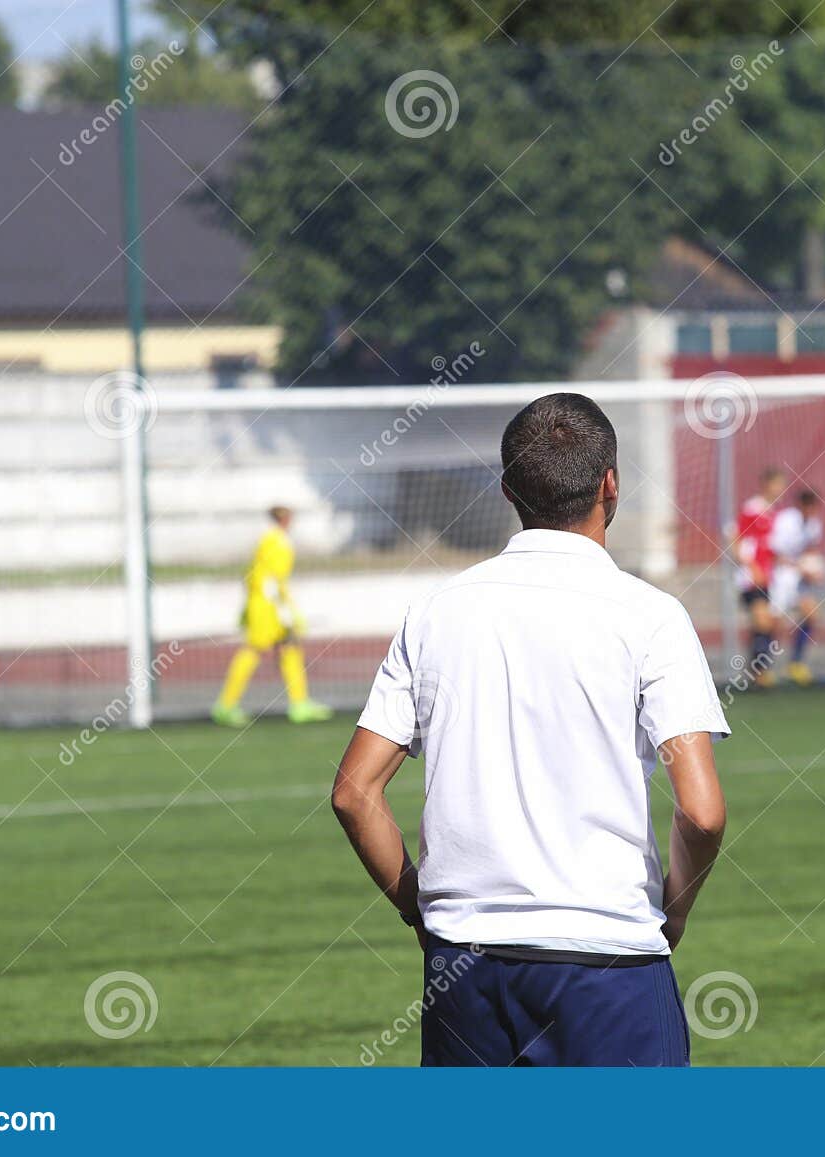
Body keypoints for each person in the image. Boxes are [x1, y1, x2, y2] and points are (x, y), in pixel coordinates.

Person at [332, 393, 728, 1067]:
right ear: (612, 481)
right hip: (610, 960)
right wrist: (677, 911)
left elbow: (353, 792)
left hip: (466, 967)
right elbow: (702, 809)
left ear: (509, 488)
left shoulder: (436, 611)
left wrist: (417, 907)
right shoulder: (651, 616)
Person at [212, 506, 335, 726]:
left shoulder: (274, 539)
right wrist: (282, 610)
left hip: (267, 602)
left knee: (290, 647)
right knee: (254, 649)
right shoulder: (275, 541)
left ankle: (299, 703)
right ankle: (226, 705)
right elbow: (269, 578)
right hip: (267, 605)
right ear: (285, 519)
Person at [732, 467, 786, 688]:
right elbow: (737, 540)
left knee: (769, 624)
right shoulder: (752, 509)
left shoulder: (773, 513)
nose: (781, 489)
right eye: (777, 484)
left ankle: (756, 672)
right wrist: (751, 567)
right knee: (762, 620)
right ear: (767, 484)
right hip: (751, 577)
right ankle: (758, 673)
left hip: (770, 578)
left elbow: (771, 547)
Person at [768, 489, 825, 686]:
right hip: (782, 576)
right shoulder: (786, 521)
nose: (813, 513)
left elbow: (811, 550)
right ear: (801, 506)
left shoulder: (814, 524)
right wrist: (801, 568)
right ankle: (763, 668)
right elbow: (775, 554)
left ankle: (796, 664)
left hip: (799, 578)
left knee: (812, 615)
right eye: (810, 508)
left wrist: (815, 569)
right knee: (775, 624)